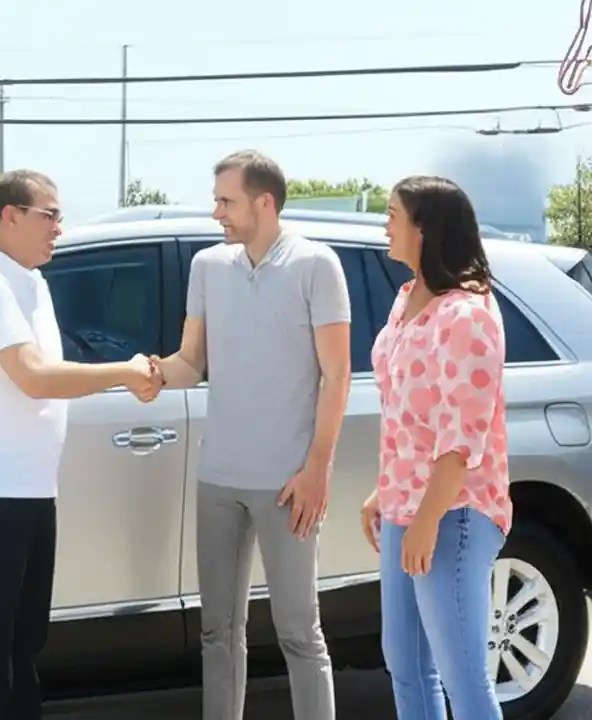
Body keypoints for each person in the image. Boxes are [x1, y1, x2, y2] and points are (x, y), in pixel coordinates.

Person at [0, 169, 160, 720]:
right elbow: (36, 375)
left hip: (33, 492)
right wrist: (125, 373)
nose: (59, 228)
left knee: (23, 644)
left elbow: (50, 375)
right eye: (50, 215)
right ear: (9, 216)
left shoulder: (31, 284)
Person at [151, 150, 350, 720]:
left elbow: (337, 375)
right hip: (218, 479)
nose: (216, 212)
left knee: (298, 634)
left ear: (264, 202)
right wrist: (141, 374)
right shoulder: (207, 267)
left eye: (226, 201)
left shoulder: (317, 266)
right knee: (217, 632)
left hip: (288, 484)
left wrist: (318, 469)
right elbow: (191, 363)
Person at [361, 175, 510, 720]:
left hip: (454, 512)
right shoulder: (406, 300)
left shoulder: (467, 315)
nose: (386, 224)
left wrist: (426, 519)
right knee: (406, 667)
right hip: (407, 506)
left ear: (424, 229)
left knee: (464, 681)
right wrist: (387, 492)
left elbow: (460, 436)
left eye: (393, 214)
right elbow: (406, 410)